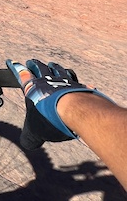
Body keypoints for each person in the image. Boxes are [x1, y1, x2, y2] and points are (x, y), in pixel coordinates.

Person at [8, 59, 127, 190]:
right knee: (29, 141)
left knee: (29, 141)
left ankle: (46, 116)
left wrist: (73, 103)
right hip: (57, 119)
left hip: (56, 114)